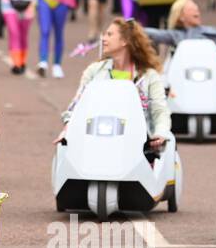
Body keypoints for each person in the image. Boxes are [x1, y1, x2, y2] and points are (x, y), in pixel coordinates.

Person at [55, 17, 170, 153]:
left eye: (109, 34)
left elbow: (160, 110)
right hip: (96, 138)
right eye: (104, 34)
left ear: (125, 41)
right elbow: (76, 106)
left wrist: (160, 133)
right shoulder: (94, 71)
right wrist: (67, 130)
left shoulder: (149, 76)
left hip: (138, 145)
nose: (103, 39)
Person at [144, 0, 216, 91]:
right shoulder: (176, 35)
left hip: (211, 77)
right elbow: (154, 34)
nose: (197, 11)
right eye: (191, 9)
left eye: (197, 8)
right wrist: (133, 27)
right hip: (183, 80)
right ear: (181, 17)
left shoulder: (213, 33)